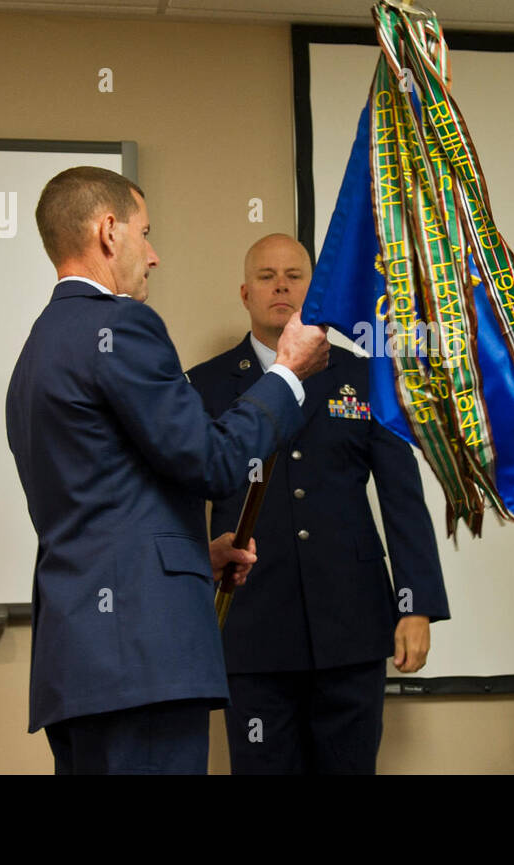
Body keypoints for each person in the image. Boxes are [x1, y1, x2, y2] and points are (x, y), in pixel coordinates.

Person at [5, 167, 328, 774]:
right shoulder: (120, 326)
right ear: (108, 232)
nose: (153, 256)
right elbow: (216, 462)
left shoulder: (38, 346)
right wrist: (284, 374)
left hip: (79, 661)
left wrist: (191, 557)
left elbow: (98, 499)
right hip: (142, 662)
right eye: (144, 233)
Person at [186, 233, 449, 775]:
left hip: (351, 625)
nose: (280, 285)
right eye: (266, 276)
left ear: (315, 290)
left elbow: (403, 498)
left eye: (293, 275)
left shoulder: (367, 378)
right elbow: (184, 503)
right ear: (244, 293)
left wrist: (416, 604)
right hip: (251, 627)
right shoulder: (204, 385)